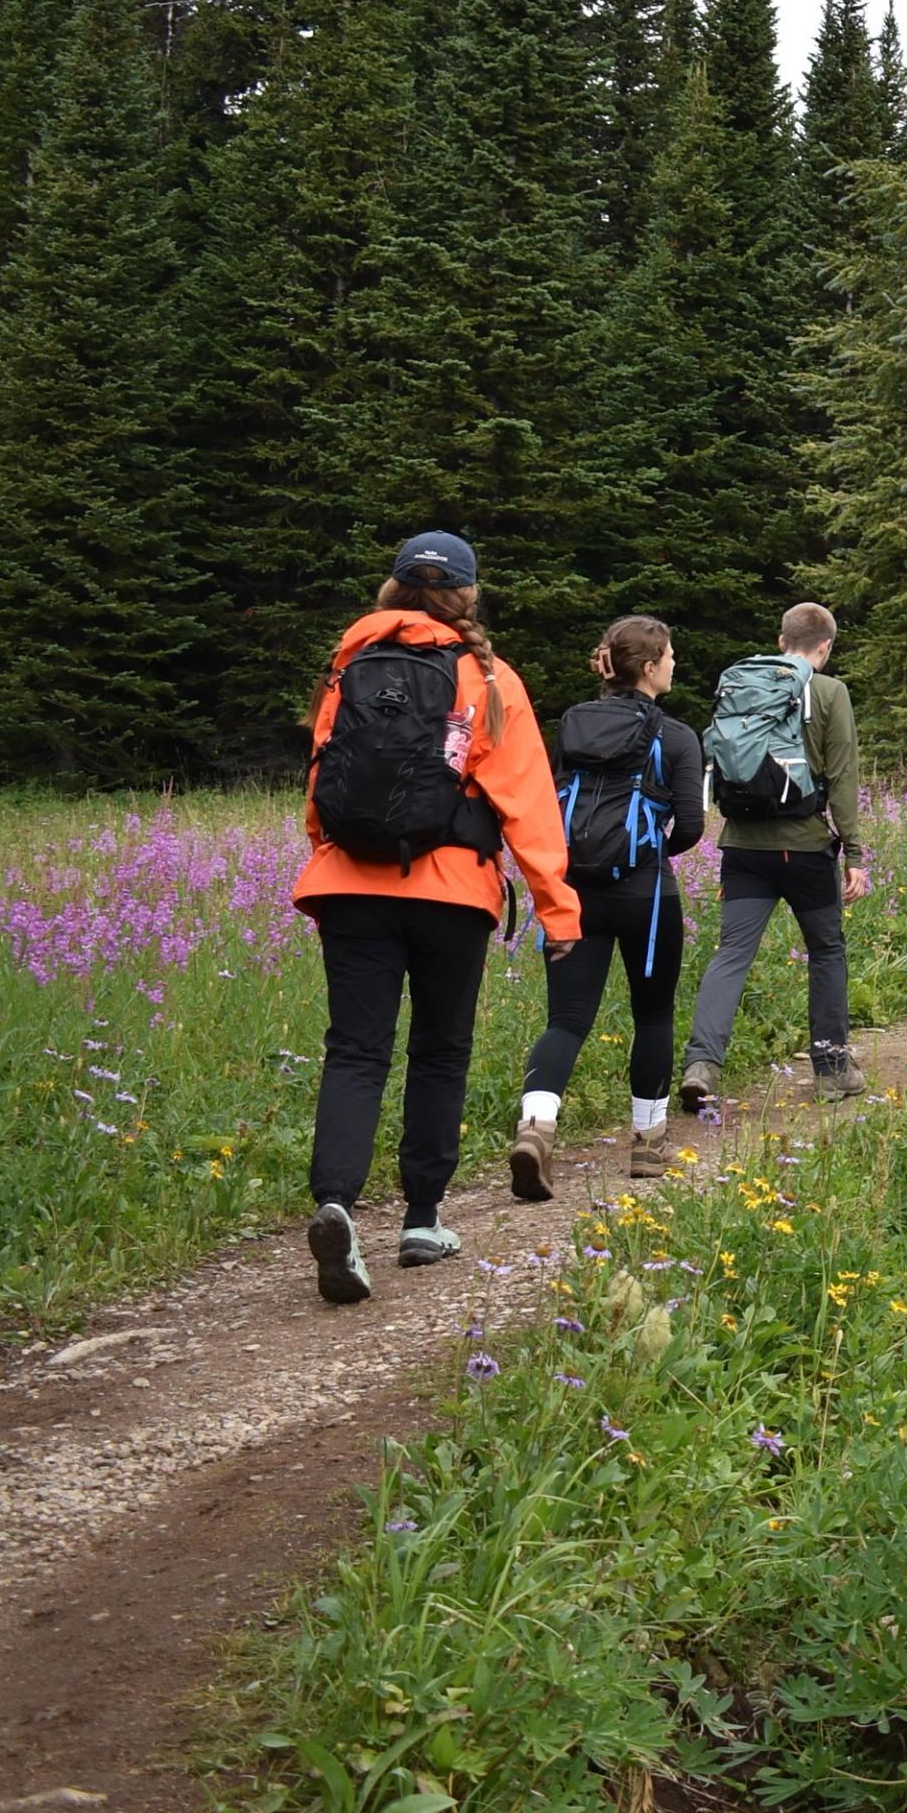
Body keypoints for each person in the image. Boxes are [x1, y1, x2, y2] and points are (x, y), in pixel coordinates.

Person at [292, 530, 581, 1306]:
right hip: (452, 891)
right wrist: (558, 914)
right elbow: (527, 806)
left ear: (393, 590)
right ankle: (422, 1218)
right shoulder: (487, 678)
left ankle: (337, 1206)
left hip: (348, 884)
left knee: (354, 1050)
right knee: (440, 1049)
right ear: (468, 596)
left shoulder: (348, 663)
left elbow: (324, 771)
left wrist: (332, 855)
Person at [511, 615, 707, 1192]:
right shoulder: (676, 736)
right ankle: (648, 1143)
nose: (674, 664)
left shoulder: (572, 725)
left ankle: (537, 1127)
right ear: (648, 668)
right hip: (646, 894)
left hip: (573, 891)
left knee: (566, 1020)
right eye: (669, 655)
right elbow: (692, 826)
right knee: (653, 1014)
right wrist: (650, 855)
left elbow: (548, 805)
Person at [678, 600, 868, 1104]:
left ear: (782, 641)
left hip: (742, 847)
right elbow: (844, 777)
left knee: (732, 954)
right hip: (805, 849)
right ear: (824, 647)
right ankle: (831, 1070)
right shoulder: (829, 691)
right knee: (826, 951)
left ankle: (701, 1063)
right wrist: (856, 855)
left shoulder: (742, 684)